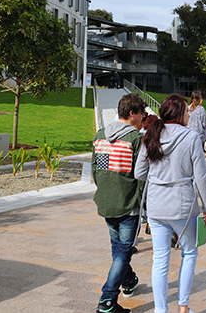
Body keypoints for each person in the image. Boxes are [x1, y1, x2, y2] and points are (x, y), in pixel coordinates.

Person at [134, 94, 206, 313]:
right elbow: (201, 177)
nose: (189, 114)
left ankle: (161, 309)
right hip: (183, 205)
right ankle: (183, 307)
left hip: (157, 205)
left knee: (160, 259)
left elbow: (139, 173)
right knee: (189, 253)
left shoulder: (152, 135)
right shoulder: (191, 138)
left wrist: (159, 175)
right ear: (179, 113)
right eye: (187, 111)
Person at [92, 94, 148, 313]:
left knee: (118, 250)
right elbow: (141, 176)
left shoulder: (100, 136)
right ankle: (107, 301)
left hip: (107, 202)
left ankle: (130, 280)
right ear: (132, 113)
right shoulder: (136, 140)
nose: (144, 117)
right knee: (123, 252)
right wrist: (143, 205)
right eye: (142, 113)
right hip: (128, 205)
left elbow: (97, 171)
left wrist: (106, 191)